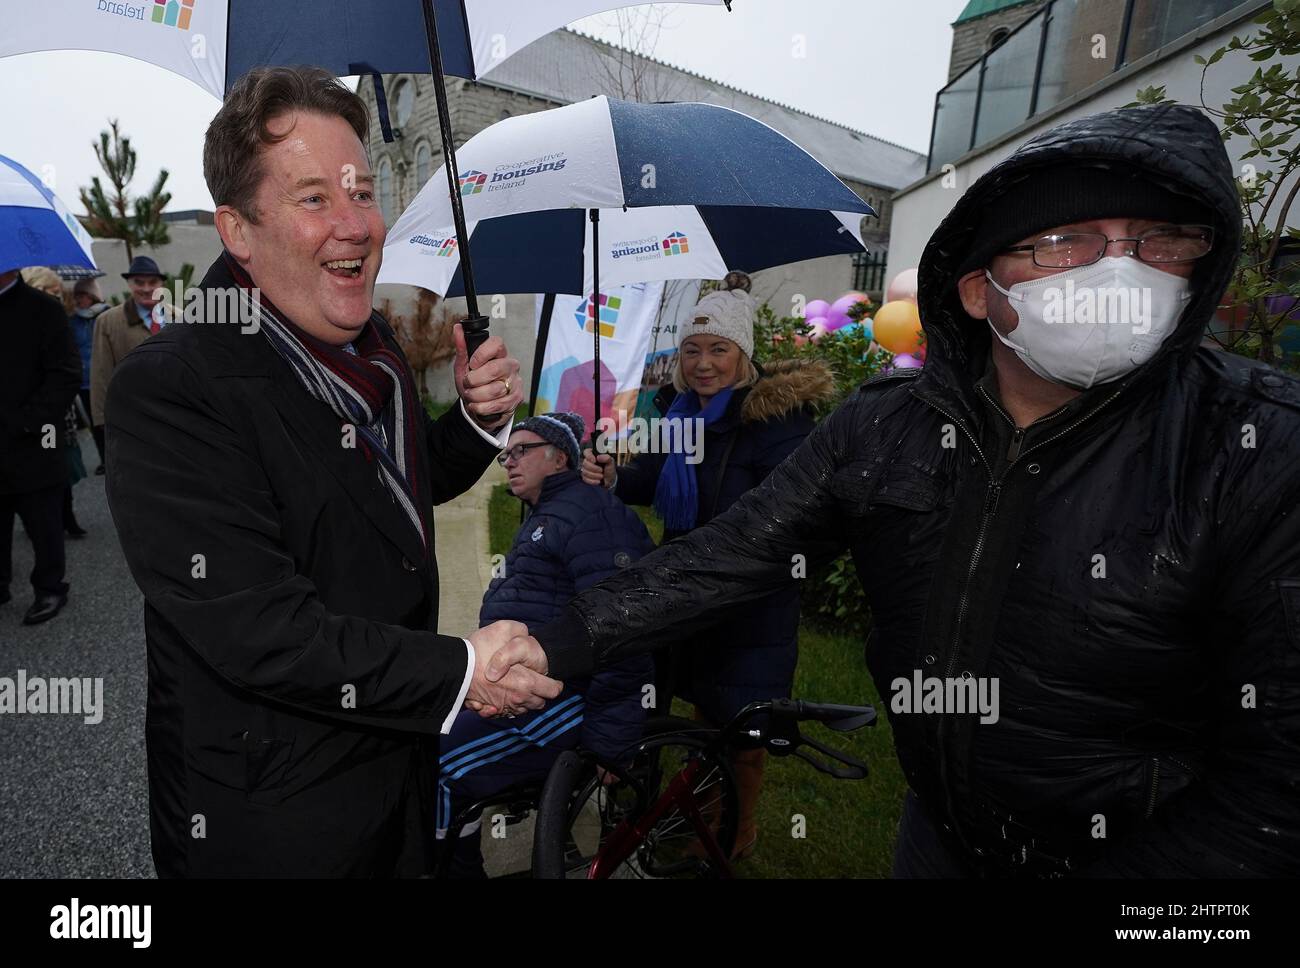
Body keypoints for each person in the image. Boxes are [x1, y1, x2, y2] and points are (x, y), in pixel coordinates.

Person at [511, 103, 1300, 876]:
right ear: (977, 290)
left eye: (1159, 239)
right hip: (940, 831)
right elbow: (740, 548)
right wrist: (553, 640)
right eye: (1064, 242)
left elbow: (1275, 782)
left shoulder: (1260, 448)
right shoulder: (890, 425)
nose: (1117, 271)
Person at [105, 65, 556, 877]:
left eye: (363, 191)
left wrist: (476, 426)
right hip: (279, 820)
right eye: (314, 198)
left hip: (398, 775)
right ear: (238, 231)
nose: (356, 225)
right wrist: (461, 667)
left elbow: (386, 494)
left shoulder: (370, 348)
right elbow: (261, 631)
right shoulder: (173, 387)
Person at [582, 275, 834, 858]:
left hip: (752, 597)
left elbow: (799, 510)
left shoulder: (776, 422)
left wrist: (741, 555)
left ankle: (734, 837)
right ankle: (697, 812)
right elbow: (654, 479)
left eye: (718, 349)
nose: (702, 363)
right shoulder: (677, 414)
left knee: (742, 724)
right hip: (686, 586)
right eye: (692, 350)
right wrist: (616, 475)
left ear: (742, 354)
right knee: (699, 712)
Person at [437, 412, 655, 877]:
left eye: (522, 450)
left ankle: (452, 867)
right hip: (525, 687)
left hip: (568, 696)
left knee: (438, 762)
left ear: (560, 458)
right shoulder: (554, 513)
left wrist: (612, 741)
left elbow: (626, 627)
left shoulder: (592, 516)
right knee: (421, 725)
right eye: (506, 454)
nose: (509, 461)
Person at [0, 265, 82, 623]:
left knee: (43, 525)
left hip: (32, 445)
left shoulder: (43, 308)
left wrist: (26, 422)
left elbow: (65, 374)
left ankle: (49, 589)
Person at [89, 255, 173, 467]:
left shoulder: (178, 317)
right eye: (139, 282)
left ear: (161, 284)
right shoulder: (108, 322)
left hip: (175, 417)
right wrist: (102, 422)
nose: (146, 288)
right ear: (129, 284)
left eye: (152, 282)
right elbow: (101, 374)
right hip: (132, 419)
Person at [69, 277, 109, 473]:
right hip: (84, 382)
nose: (78, 300)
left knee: (111, 421)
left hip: (105, 378)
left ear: (93, 296)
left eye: (82, 295)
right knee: (94, 424)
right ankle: (104, 459)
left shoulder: (106, 316)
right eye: (76, 295)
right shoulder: (73, 321)